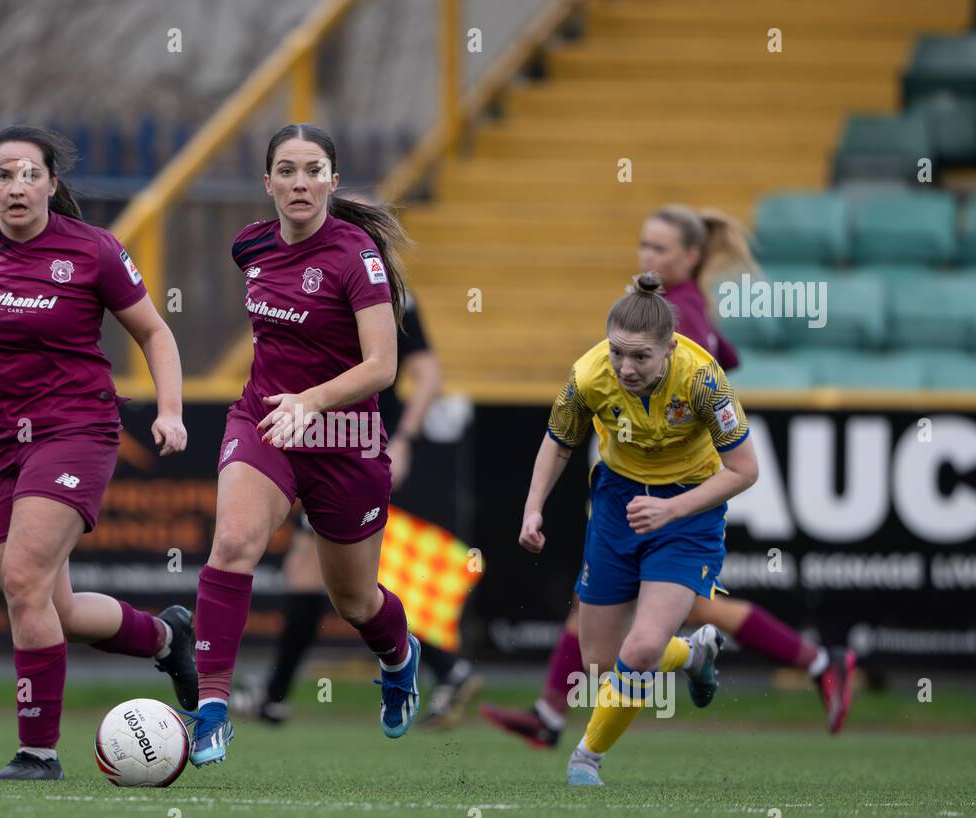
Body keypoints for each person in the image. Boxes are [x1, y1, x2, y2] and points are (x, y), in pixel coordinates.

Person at [482, 207, 855, 748]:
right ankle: (558, 708)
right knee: (613, 629)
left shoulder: (684, 330)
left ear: (691, 257)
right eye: (643, 245)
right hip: (621, 489)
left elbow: (715, 373)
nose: (646, 258)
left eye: (660, 249)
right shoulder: (650, 317)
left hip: (682, 491)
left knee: (666, 622)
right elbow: (722, 354)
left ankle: (813, 658)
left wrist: (676, 490)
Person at [0, 125, 197, 781]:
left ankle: (38, 754)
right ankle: (168, 637)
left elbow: (154, 331)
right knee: (48, 607)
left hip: (76, 428)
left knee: (23, 581)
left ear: (52, 184)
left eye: (30, 174)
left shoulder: (94, 251)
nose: (17, 186)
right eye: (4, 174)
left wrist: (170, 410)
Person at [185, 123, 419, 767]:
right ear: (267, 182)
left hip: (345, 437)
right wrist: (284, 402)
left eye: (312, 169)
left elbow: (382, 367)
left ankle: (399, 658)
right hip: (263, 423)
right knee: (233, 543)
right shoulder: (249, 246)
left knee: (354, 601)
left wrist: (311, 401)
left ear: (332, 181)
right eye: (285, 170)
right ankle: (210, 709)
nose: (299, 182)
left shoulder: (356, 255)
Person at [517, 271, 759, 786]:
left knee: (644, 648)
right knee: (602, 669)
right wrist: (533, 506)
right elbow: (558, 442)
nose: (625, 367)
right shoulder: (588, 375)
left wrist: (672, 511)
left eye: (641, 357)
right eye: (618, 352)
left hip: (688, 513)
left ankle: (587, 756)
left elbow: (745, 470)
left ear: (670, 349)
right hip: (617, 506)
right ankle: (694, 654)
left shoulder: (703, 380)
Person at [232, 282, 482, 729]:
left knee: (351, 578)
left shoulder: (387, 288)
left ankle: (442, 667)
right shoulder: (316, 274)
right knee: (319, 571)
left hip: (352, 446)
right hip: (326, 442)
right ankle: (277, 694)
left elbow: (427, 373)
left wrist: (403, 439)